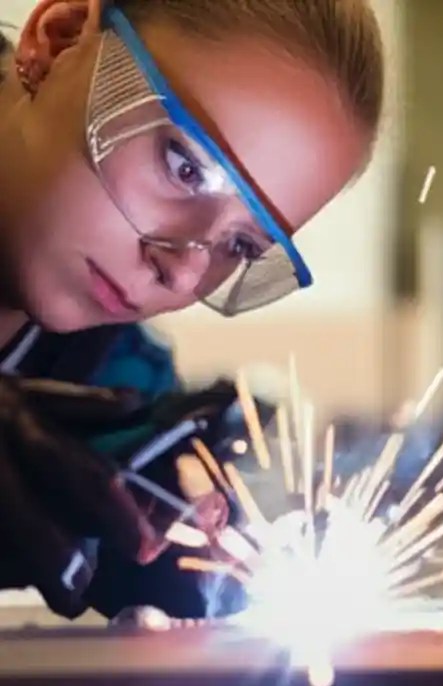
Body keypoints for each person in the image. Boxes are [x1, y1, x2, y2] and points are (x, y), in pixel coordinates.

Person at [0, 0, 384, 620]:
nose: (183, 269)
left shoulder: (114, 385)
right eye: (185, 168)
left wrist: (143, 538)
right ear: (61, 39)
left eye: (239, 245)